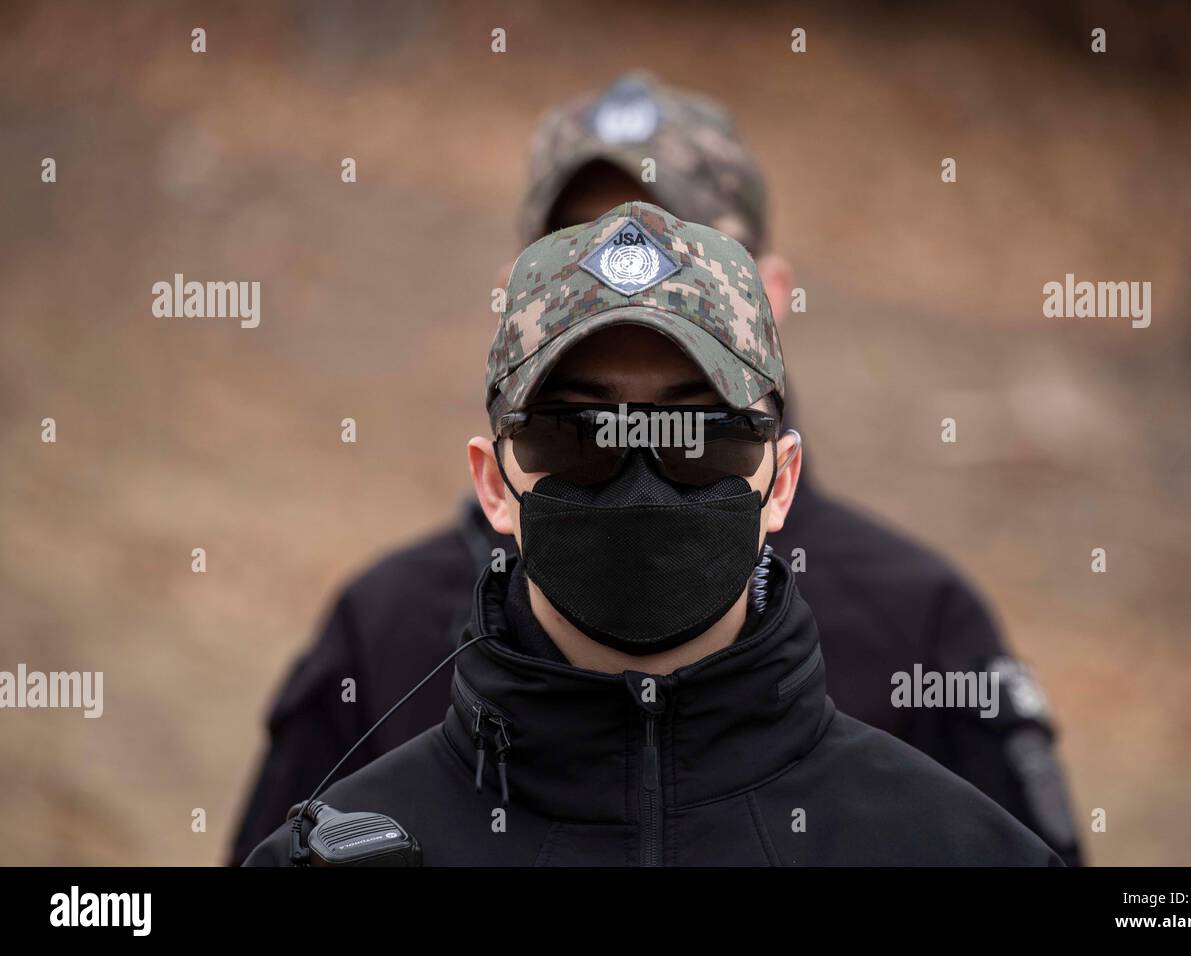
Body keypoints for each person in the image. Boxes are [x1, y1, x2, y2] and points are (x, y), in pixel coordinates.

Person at [230, 73, 1081, 865]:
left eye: (699, 432)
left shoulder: (948, 826)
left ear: (779, 477)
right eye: (577, 433)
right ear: (494, 479)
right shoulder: (365, 785)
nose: (641, 477)